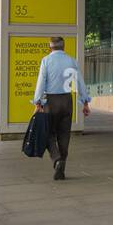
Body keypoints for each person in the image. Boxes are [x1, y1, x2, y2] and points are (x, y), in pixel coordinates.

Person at [31, 36, 91, 181]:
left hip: (51, 101)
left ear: (50, 47)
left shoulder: (46, 60)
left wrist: (37, 102)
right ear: (63, 47)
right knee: (64, 134)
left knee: (48, 133)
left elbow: (41, 82)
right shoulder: (71, 60)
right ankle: (62, 166)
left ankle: (57, 159)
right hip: (66, 100)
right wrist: (85, 102)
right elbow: (80, 82)